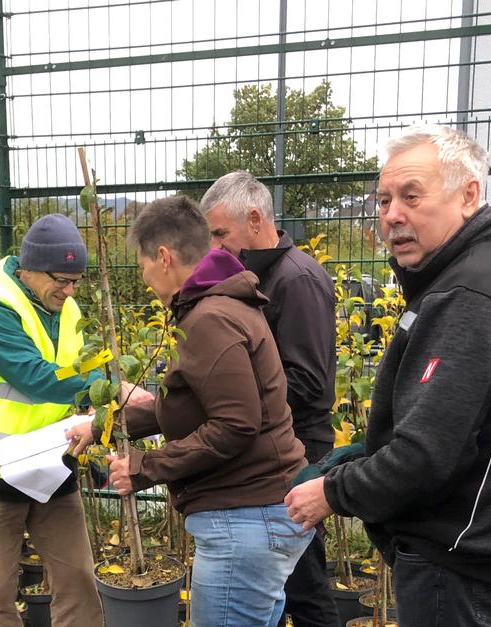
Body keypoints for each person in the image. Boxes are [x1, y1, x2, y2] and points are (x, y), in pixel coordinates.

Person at [284, 124, 491, 625]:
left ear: (468, 195)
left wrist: (332, 492)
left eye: (412, 196)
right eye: (385, 199)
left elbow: (425, 453)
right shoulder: (475, 276)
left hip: (461, 560)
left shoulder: (466, 296)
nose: (392, 215)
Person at [67, 195, 313, 627]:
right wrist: (101, 423)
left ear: (164, 257)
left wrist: (144, 467)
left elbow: (235, 425)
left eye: (143, 265)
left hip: (245, 517)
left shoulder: (209, 319)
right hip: (258, 513)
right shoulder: (219, 306)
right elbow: (194, 407)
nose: (144, 278)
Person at [0, 213, 151, 627]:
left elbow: (83, 365)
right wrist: (112, 387)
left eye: (77, 281)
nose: (70, 291)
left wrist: (104, 407)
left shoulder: (64, 306)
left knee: (77, 580)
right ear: (29, 267)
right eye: (61, 280)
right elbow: (35, 378)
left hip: (52, 462)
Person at [199, 171, 341, 627]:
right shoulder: (256, 276)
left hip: (297, 449)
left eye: (221, 233)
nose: (215, 248)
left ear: (256, 218)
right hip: (275, 449)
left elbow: (309, 382)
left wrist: (231, 405)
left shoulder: (296, 279)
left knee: (302, 580)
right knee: (271, 584)